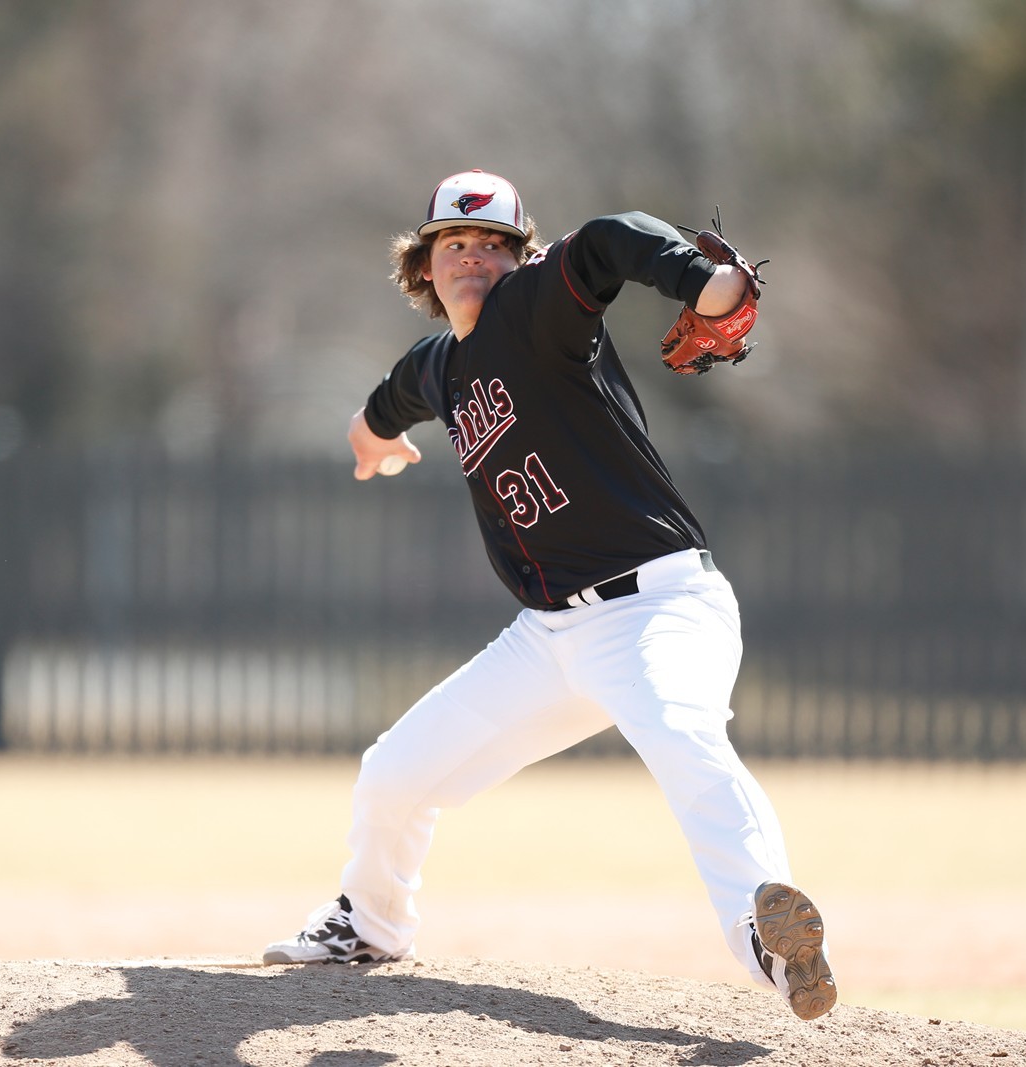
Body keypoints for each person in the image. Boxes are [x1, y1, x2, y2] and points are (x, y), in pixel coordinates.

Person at [263, 169, 836, 1021]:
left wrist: (703, 282)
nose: (473, 257)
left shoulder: (536, 311)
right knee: (393, 772)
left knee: (682, 737)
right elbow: (395, 398)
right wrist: (371, 437)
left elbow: (607, 238)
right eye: (454, 242)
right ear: (423, 267)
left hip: (660, 606)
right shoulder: (442, 365)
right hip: (549, 637)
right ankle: (370, 920)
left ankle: (772, 940)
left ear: (520, 258)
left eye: (495, 243)